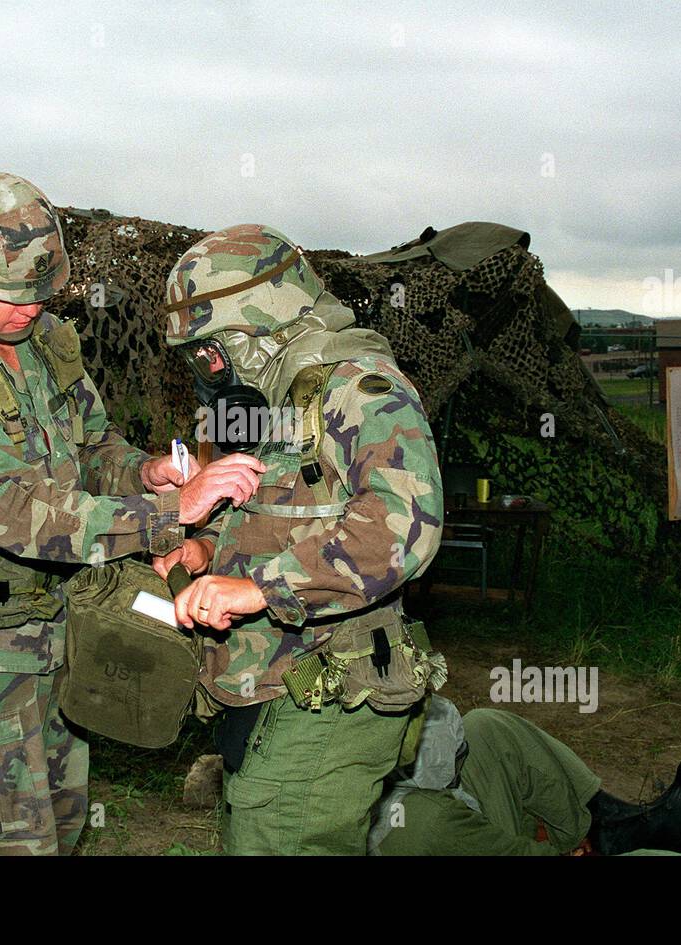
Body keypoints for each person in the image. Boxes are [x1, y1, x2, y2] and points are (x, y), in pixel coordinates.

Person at [0, 172, 264, 855]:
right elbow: (16, 511)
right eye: (9, 293)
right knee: (6, 844)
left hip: (60, 639)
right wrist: (168, 512)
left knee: (58, 833)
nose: (28, 306)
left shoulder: (45, 343)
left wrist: (143, 471)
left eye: (39, 288)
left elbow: (91, 448)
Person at [153, 223, 445, 855]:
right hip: (278, 692)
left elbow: (408, 527)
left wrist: (259, 587)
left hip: (329, 693)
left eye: (207, 353)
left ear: (257, 324)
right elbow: (294, 507)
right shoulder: (286, 397)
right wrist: (209, 549)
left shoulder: (360, 388)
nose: (203, 372)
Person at [369, 696, 681, 856]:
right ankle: (615, 843)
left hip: (391, 783)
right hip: (415, 825)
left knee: (485, 727)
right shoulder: (432, 823)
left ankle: (603, 823)